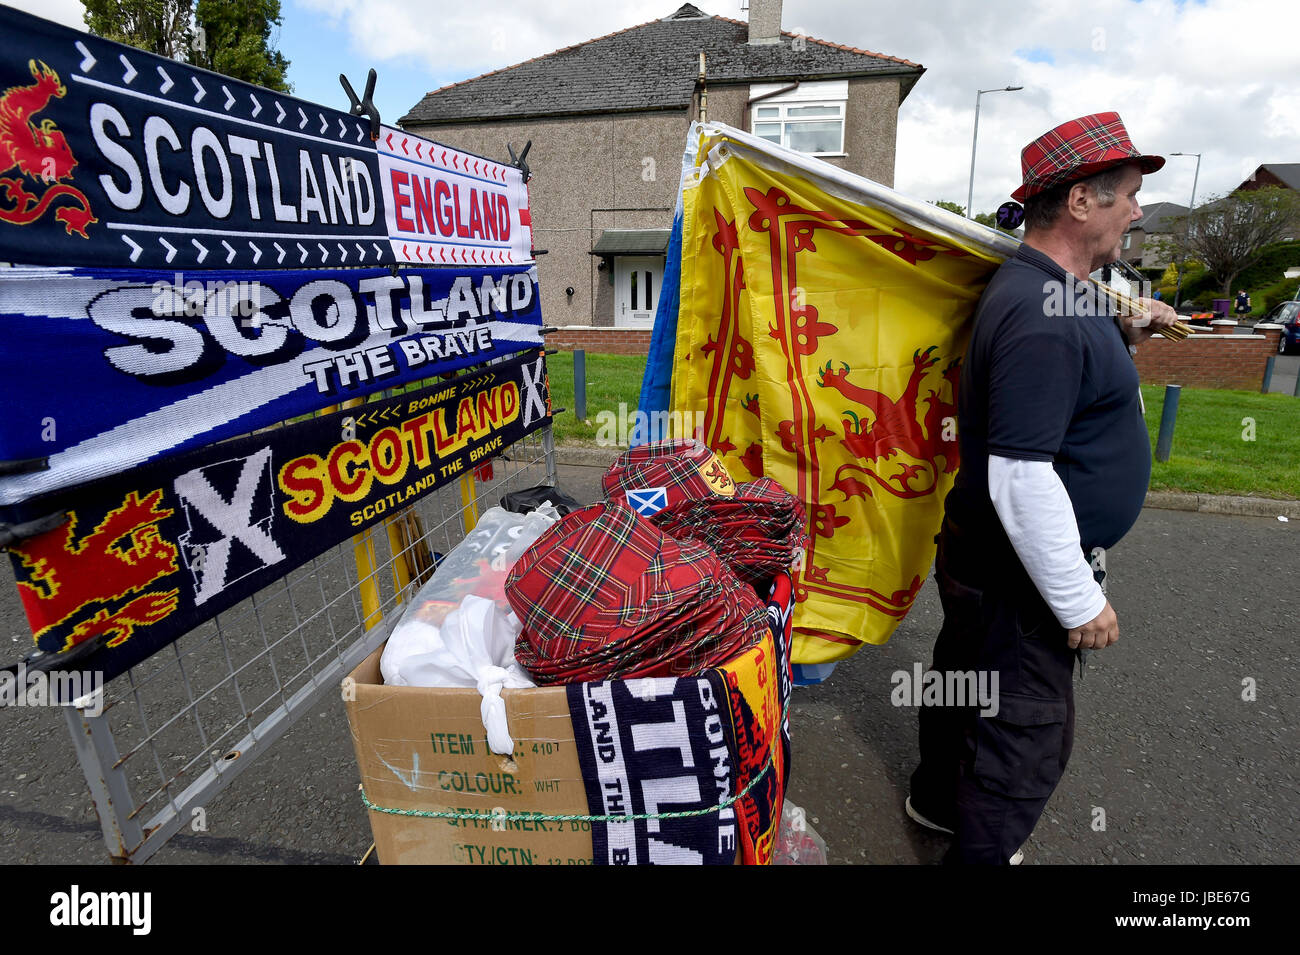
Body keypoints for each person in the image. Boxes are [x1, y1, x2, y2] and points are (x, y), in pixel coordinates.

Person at [906, 112, 1179, 864]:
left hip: (983, 563)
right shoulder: (1041, 313)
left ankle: (934, 802)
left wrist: (1129, 333)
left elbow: (1068, 365)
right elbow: (1023, 477)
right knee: (1022, 735)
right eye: (1126, 194)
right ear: (1081, 203)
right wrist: (1078, 598)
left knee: (964, 685)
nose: (1138, 209)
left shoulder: (1059, 290)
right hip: (1016, 579)